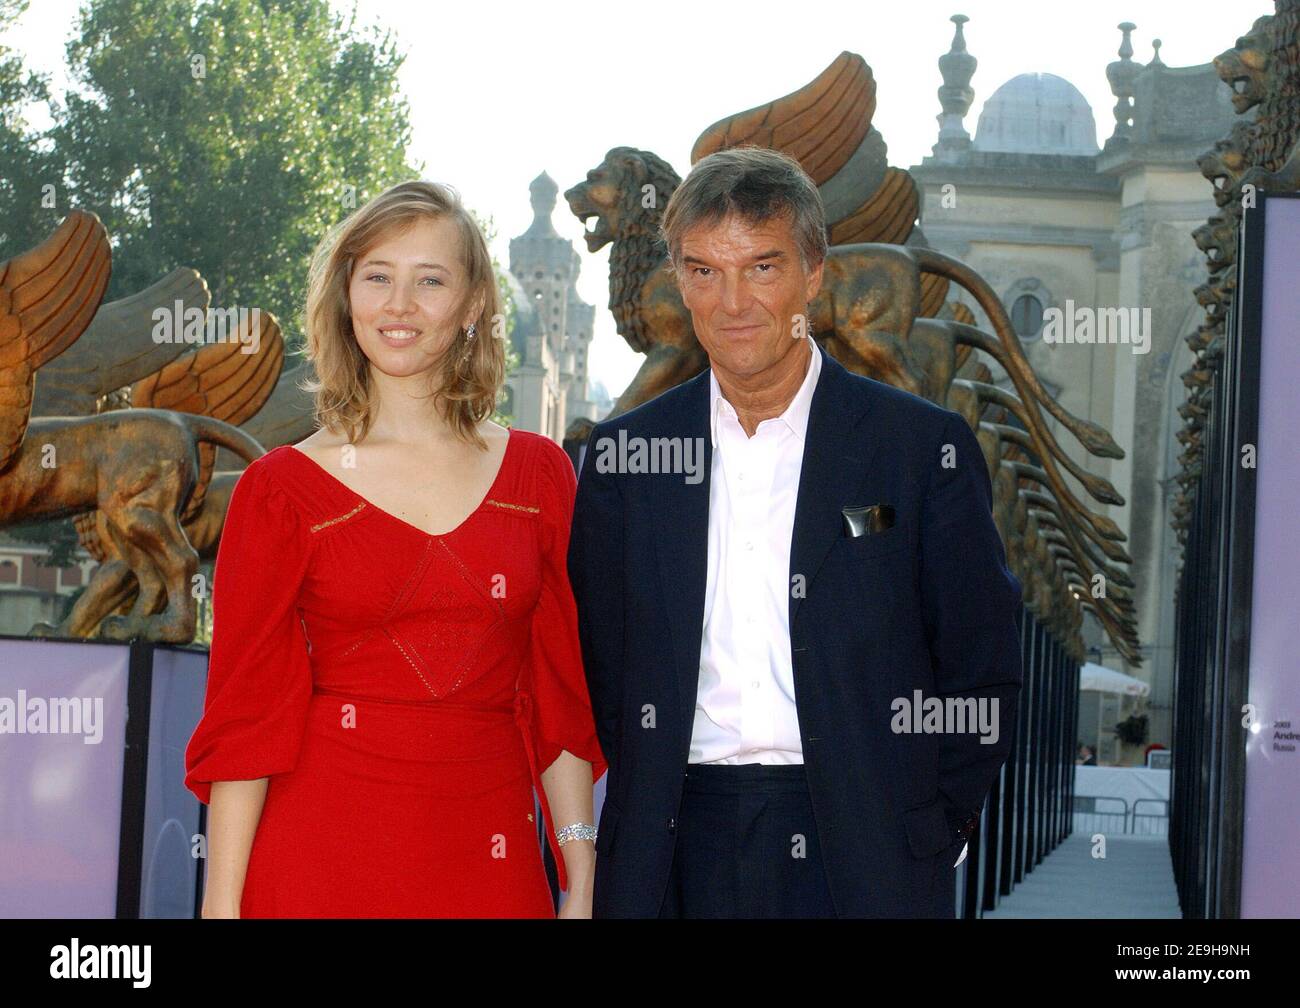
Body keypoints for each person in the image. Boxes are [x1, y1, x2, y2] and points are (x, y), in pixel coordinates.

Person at [568, 147, 1023, 918]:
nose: (732, 300)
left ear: (814, 274)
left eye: (762, 267)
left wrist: (935, 826)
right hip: (672, 849)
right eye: (704, 270)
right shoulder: (624, 459)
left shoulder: (920, 451)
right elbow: (599, 666)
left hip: (864, 848)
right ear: (679, 280)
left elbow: (981, 662)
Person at [184, 180, 606, 918]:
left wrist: (579, 869)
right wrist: (220, 912)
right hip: (317, 862)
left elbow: (557, 689)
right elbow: (247, 724)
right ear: (347, 296)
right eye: (377, 276)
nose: (399, 305)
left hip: (490, 863)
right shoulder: (280, 491)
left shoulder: (540, 476)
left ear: (474, 303)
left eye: (430, 280)